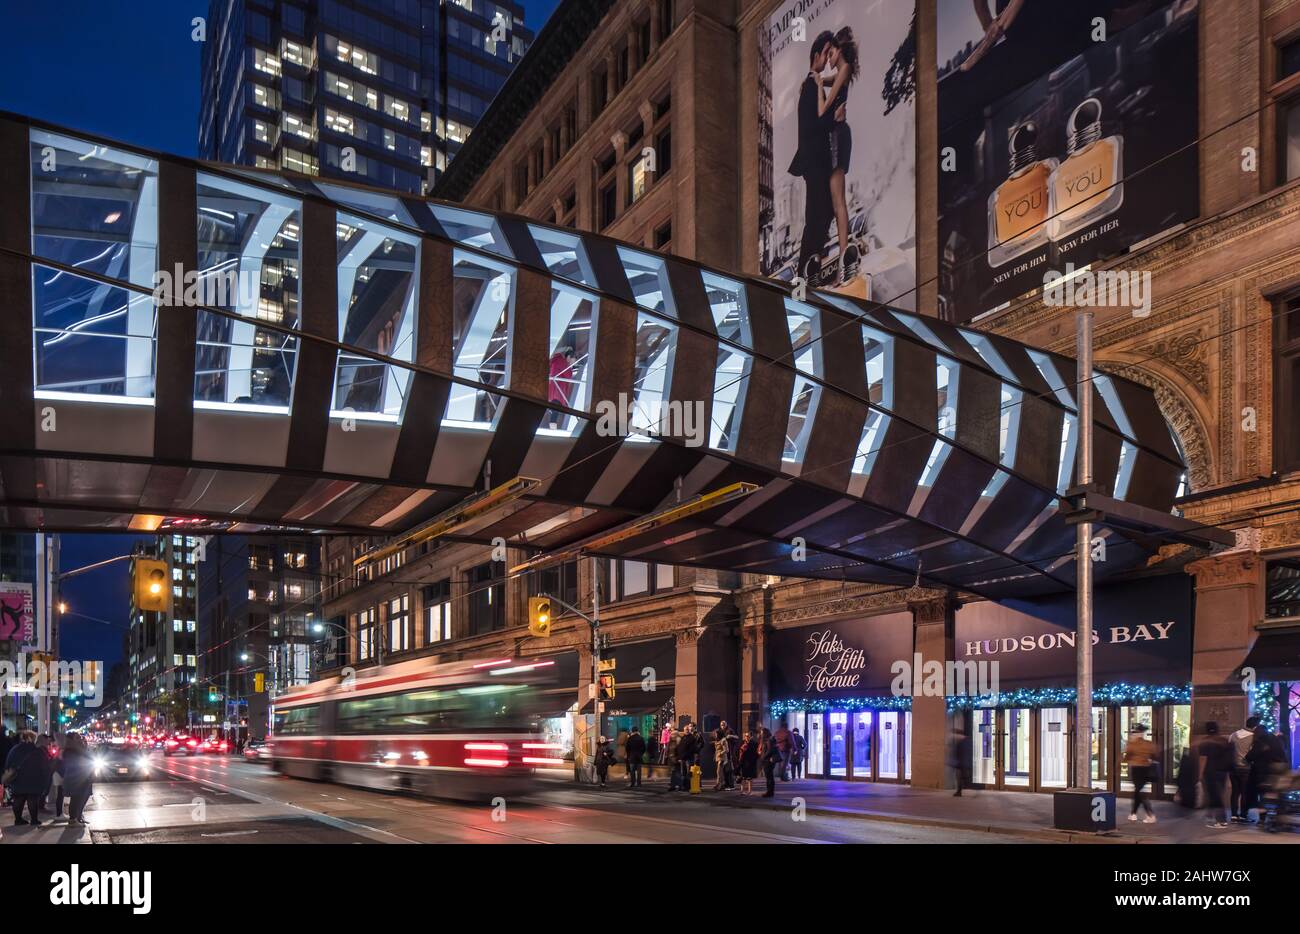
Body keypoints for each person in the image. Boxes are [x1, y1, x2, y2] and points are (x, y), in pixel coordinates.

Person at [790, 31, 847, 280]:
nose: (828, 57)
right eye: (826, 53)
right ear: (816, 55)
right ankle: (805, 273)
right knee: (816, 216)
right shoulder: (811, 85)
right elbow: (812, 126)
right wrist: (833, 118)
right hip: (815, 161)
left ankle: (810, 267)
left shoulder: (813, 82)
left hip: (816, 161)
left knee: (821, 214)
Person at [818, 28, 860, 285]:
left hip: (837, 136)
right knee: (835, 202)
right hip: (836, 135)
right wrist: (816, 79)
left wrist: (818, 87)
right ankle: (844, 260)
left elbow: (824, 108)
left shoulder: (843, 70)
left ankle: (845, 259)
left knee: (838, 202)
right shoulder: (841, 73)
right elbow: (825, 81)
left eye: (831, 53)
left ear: (840, 51)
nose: (829, 59)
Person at [3, 730, 49, 826]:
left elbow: (8, 763)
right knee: (32, 799)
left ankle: (18, 820)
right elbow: (44, 765)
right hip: (34, 778)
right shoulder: (37, 750)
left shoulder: (15, 749)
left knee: (18, 799)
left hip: (18, 778)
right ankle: (34, 820)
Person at [1198, 721, 1233, 828]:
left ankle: (1221, 821)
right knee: (1216, 794)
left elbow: (1203, 759)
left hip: (1210, 772)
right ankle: (1210, 816)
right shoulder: (1225, 741)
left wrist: (1199, 774)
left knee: (1215, 796)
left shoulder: (1205, 742)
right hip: (1223, 772)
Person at [1122, 723, 1159, 823]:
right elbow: (1155, 755)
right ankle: (1133, 814)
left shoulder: (1132, 744)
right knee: (1138, 791)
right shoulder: (1149, 743)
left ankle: (1150, 814)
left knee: (1139, 791)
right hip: (1146, 769)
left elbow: (1127, 756)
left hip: (1136, 769)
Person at [59, 733, 93, 826]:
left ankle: (79, 816)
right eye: (77, 737)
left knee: (83, 797)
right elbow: (74, 763)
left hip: (85, 777)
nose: (80, 739)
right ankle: (73, 820)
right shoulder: (70, 750)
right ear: (72, 740)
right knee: (76, 798)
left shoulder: (80, 747)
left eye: (80, 737)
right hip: (76, 778)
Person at [1229, 716, 1258, 822]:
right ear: (1255, 726)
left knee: (1235, 792)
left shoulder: (1233, 735)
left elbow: (1229, 749)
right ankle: (1243, 815)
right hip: (1246, 768)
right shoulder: (1254, 737)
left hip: (1233, 768)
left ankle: (1233, 814)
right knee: (1245, 792)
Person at [546, 346, 577, 428]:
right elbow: (569, 375)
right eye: (572, 362)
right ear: (569, 357)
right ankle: (553, 428)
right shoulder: (562, 362)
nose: (572, 365)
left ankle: (552, 426)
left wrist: (566, 349)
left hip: (555, 390)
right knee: (555, 411)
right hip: (557, 391)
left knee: (554, 410)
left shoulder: (557, 360)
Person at [947, 724, 972, 797]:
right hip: (962, 763)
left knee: (960, 777)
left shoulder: (962, 742)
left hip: (961, 763)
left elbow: (960, 754)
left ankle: (959, 791)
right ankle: (960, 790)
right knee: (961, 777)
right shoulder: (965, 741)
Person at [738, 731, 759, 796]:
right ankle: (742, 791)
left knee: (749, 777)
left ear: (751, 737)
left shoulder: (754, 743)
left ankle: (749, 791)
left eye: (747, 736)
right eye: (745, 736)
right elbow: (739, 751)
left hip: (750, 762)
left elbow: (756, 753)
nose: (746, 737)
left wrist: (753, 760)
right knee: (743, 777)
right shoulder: (742, 743)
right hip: (743, 761)